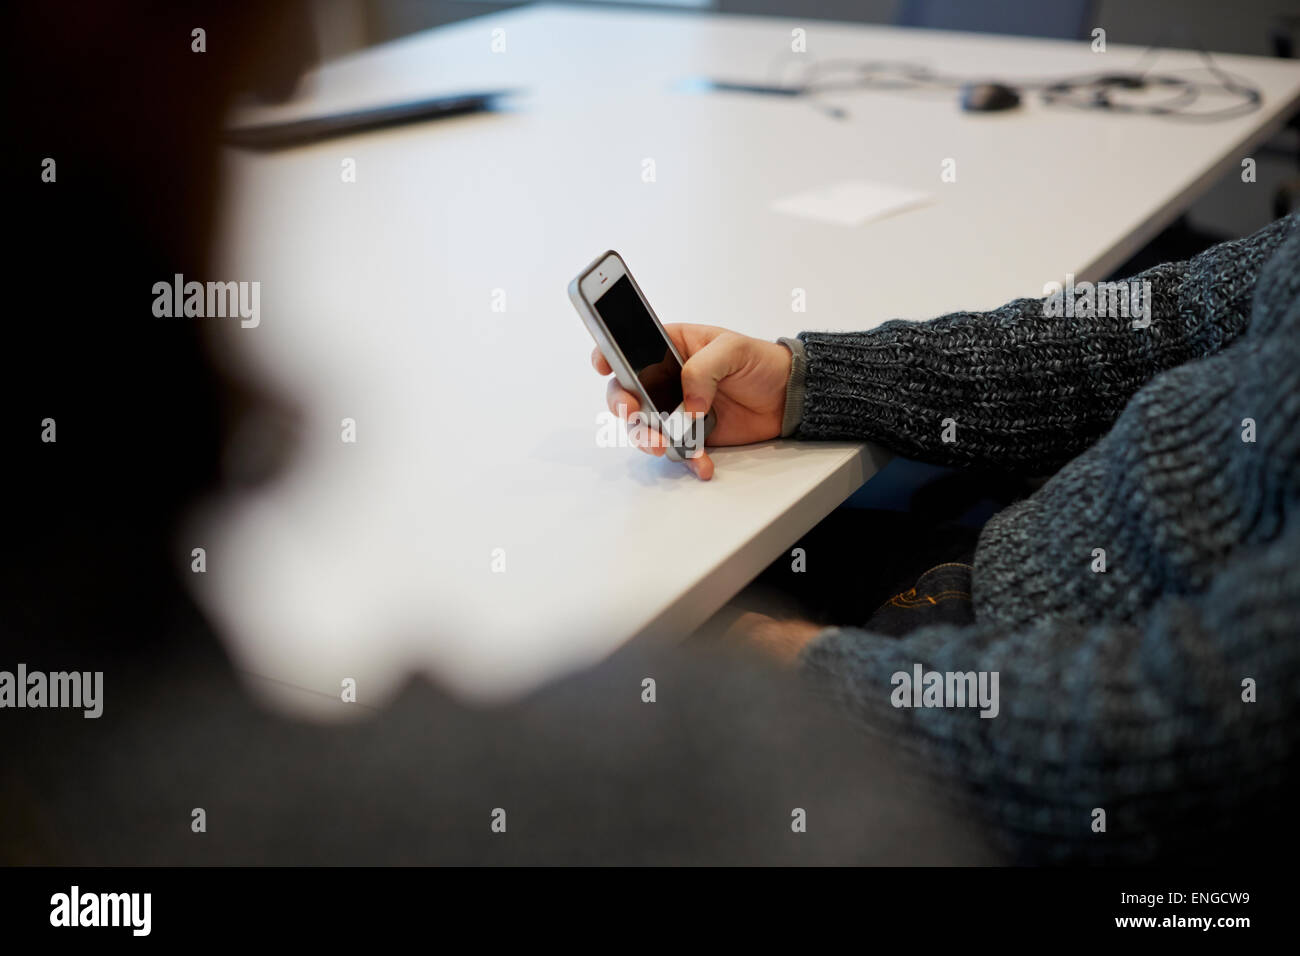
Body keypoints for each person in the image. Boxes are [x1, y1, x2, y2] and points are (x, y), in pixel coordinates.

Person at [0, 1, 988, 866]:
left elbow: (1141, 720)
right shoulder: (713, 775)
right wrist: (811, 384)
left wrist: (815, 674)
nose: (301, 61)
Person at [592, 212, 1300, 863]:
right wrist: (808, 382)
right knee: (638, 603)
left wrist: (803, 672)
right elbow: (1157, 323)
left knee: (624, 696)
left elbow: (1199, 737)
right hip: (1022, 563)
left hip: (1024, 719)